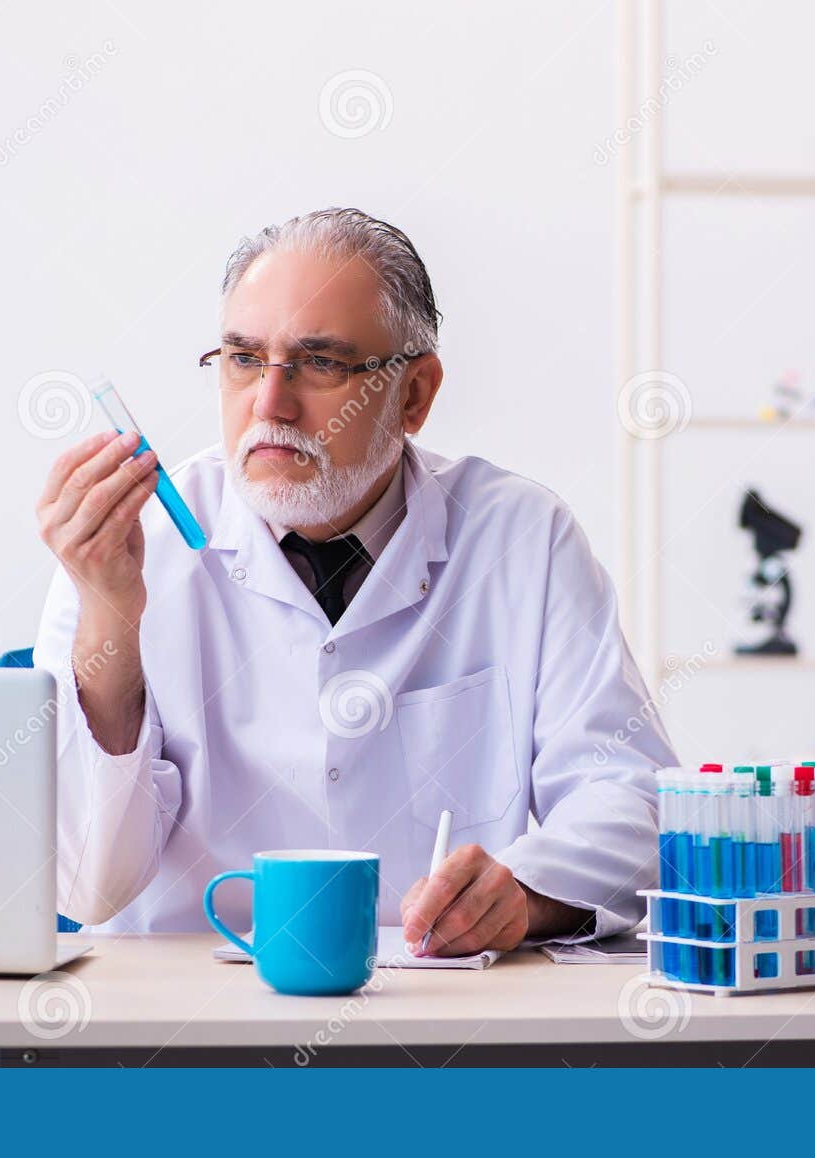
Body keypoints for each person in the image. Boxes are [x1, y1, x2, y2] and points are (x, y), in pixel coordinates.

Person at [33, 207, 674, 955]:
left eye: (321, 363)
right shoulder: (127, 549)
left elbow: (633, 799)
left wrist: (527, 892)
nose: (269, 404)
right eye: (243, 359)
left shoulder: (519, 538)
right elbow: (87, 883)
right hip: (182, 1021)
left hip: (432, 1011)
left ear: (414, 396)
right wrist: (110, 613)